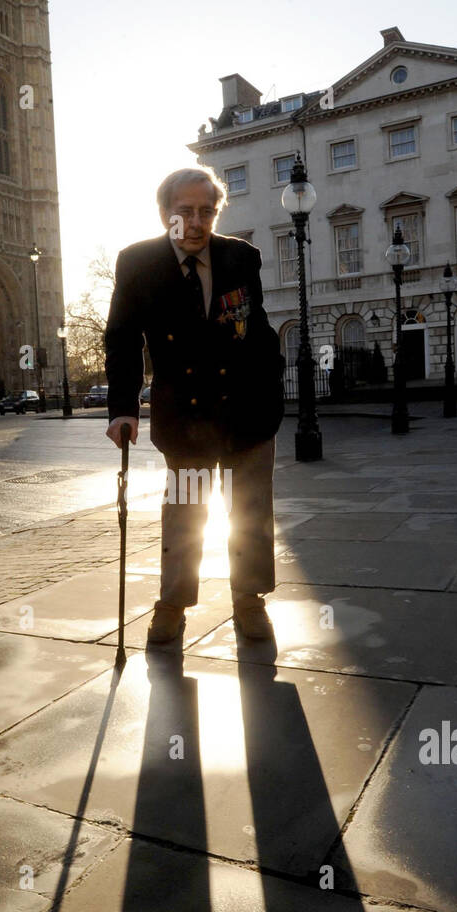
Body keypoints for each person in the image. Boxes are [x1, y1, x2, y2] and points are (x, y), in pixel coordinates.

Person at [105, 166, 285, 644]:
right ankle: (173, 605)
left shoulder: (241, 258)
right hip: (185, 418)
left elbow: (258, 329)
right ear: (166, 214)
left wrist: (274, 390)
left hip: (247, 410)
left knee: (249, 513)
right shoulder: (138, 263)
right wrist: (123, 408)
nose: (196, 221)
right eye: (185, 211)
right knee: (185, 513)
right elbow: (121, 340)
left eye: (206, 211)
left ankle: (249, 601)